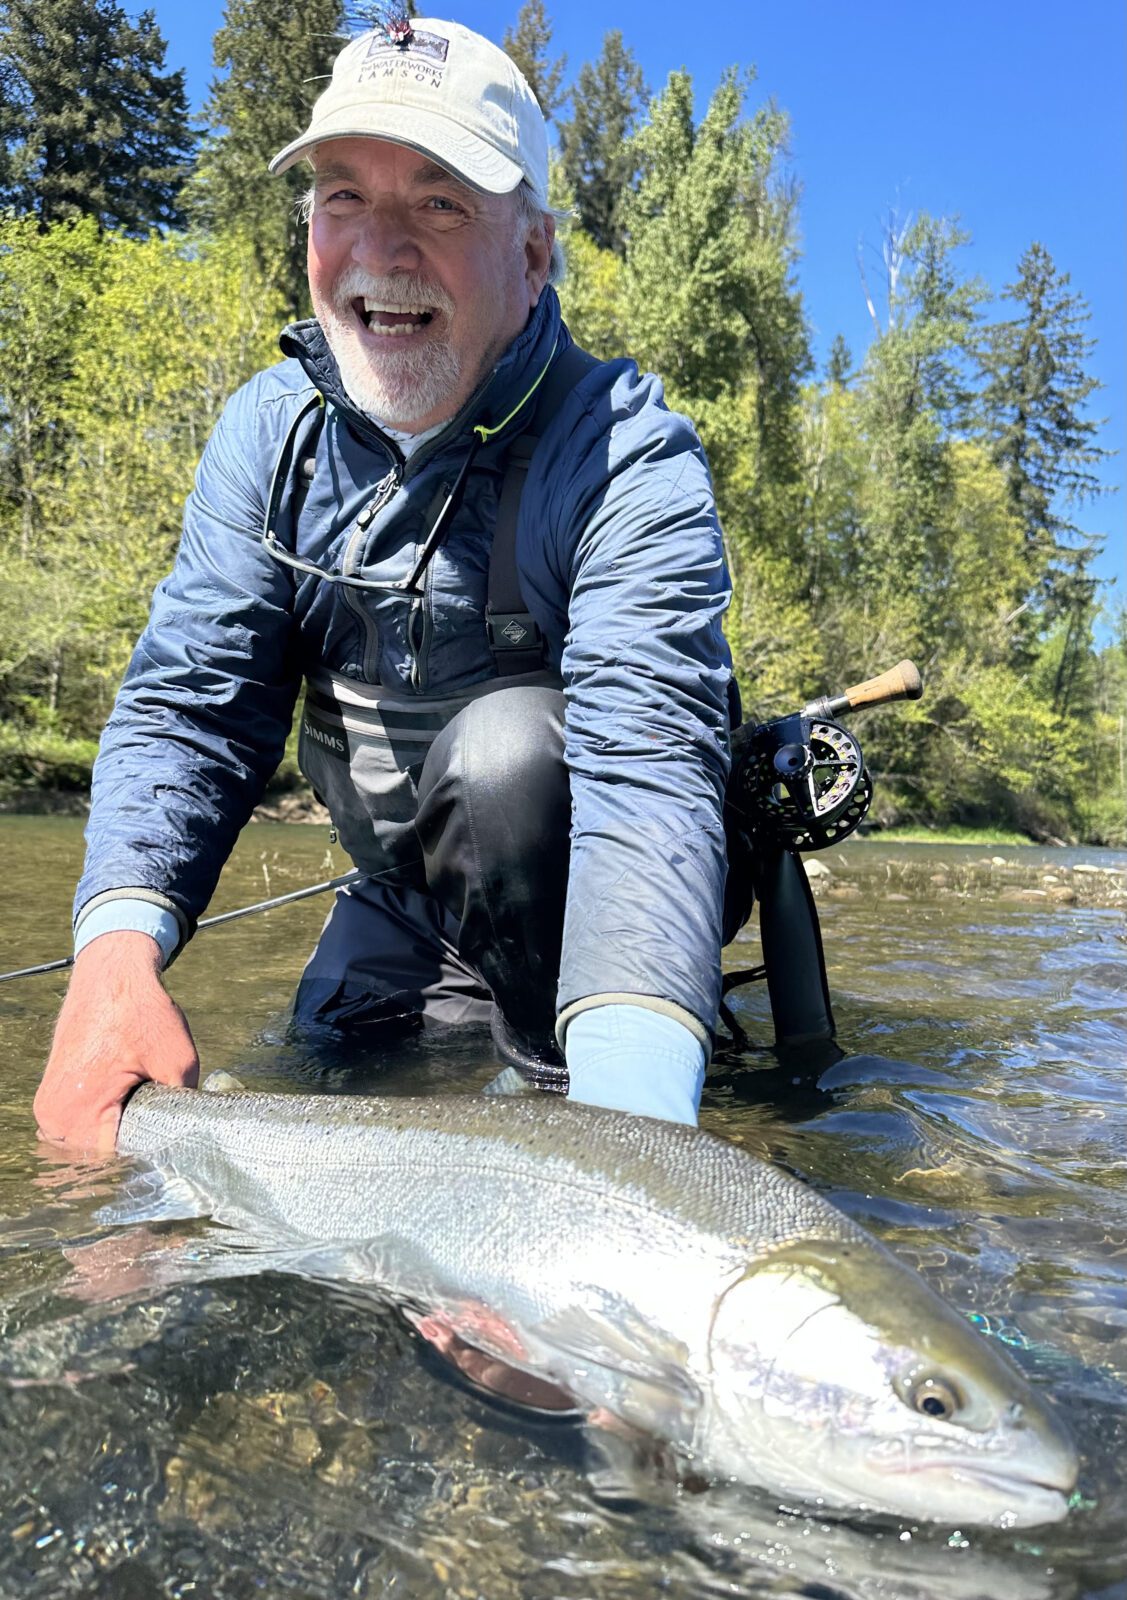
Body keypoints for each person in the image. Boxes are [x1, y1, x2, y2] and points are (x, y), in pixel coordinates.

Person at [33, 16, 734, 1153]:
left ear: (534, 253)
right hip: (405, 903)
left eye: (440, 202)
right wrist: (113, 955)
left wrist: (629, 1153)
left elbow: (648, 767)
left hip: (586, 905)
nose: (380, 250)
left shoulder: (622, 450)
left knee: (511, 758)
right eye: (341, 197)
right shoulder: (270, 437)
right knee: (306, 1112)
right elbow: (190, 710)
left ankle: (582, 1073)